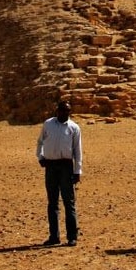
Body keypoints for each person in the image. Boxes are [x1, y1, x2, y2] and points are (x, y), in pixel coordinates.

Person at [36, 100, 82, 246]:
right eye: (62, 110)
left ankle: (72, 236)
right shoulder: (48, 124)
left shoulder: (74, 127)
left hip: (66, 166)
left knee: (69, 202)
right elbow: (40, 142)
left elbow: (77, 151)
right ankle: (54, 236)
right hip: (50, 166)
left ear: (70, 112)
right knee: (52, 202)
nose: (64, 113)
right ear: (57, 111)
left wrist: (77, 171)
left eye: (67, 111)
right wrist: (40, 157)